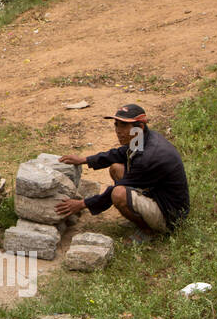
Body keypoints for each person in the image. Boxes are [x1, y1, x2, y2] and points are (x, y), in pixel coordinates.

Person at [54, 103, 190, 242]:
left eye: (124, 126)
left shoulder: (149, 157)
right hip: (156, 194)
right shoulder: (143, 137)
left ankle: (149, 232)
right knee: (116, 168)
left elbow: (114, 191)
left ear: (140, 127)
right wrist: (84, 160)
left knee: (118, 194)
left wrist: (82, 204)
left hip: (171, 216)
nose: (118, 130)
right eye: (116, 124)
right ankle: (139, 215)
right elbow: (119, 154)